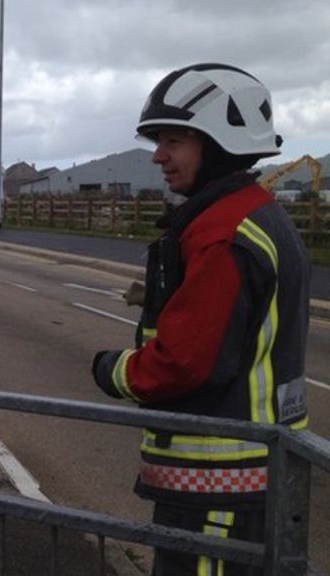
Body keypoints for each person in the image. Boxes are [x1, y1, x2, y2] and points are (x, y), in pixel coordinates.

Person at [91, 63, 310, 575]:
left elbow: (185, 363)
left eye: (175, 141)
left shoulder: (223, 232)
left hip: (220, 481)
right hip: (250, 473)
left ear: (220, 142)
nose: (159, 156)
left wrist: (112, 369)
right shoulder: (257, 214)